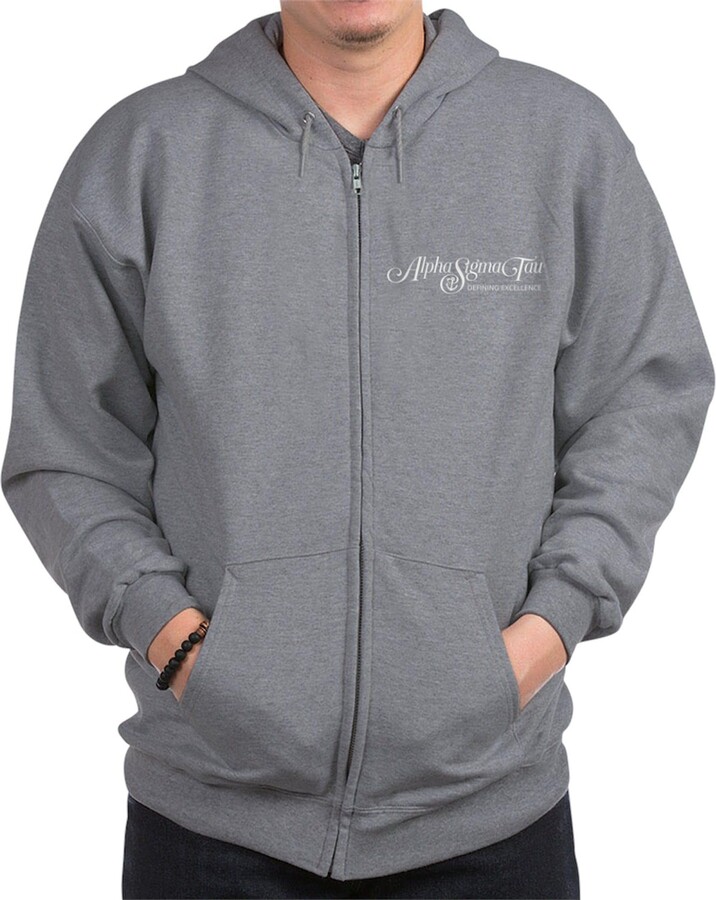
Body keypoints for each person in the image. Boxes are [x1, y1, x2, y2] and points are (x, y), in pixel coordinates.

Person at [2, 2, 713, 898]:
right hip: (210, 828)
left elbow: (646, 397)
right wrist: (179, 648)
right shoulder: (144, 154)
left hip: (493, 819)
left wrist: (548, 629)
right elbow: (66, 450)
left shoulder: (563, 143)